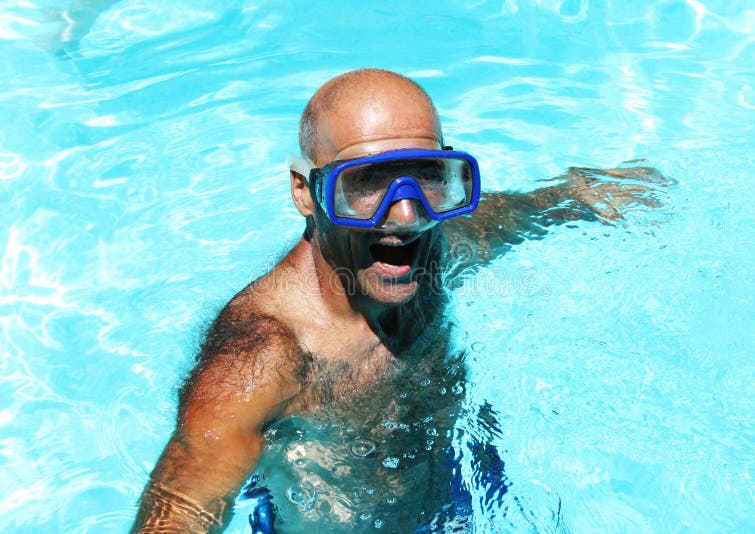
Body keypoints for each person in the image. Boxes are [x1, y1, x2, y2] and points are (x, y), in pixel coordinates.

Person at [132, 68, 665, 532]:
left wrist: (586, 194)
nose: (406, 216)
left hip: (462, 483)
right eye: (367, 183)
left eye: (428, 178)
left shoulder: (438, 244)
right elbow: (179, 510)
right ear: (304, 190)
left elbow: (525, 211)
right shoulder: (263, 356)